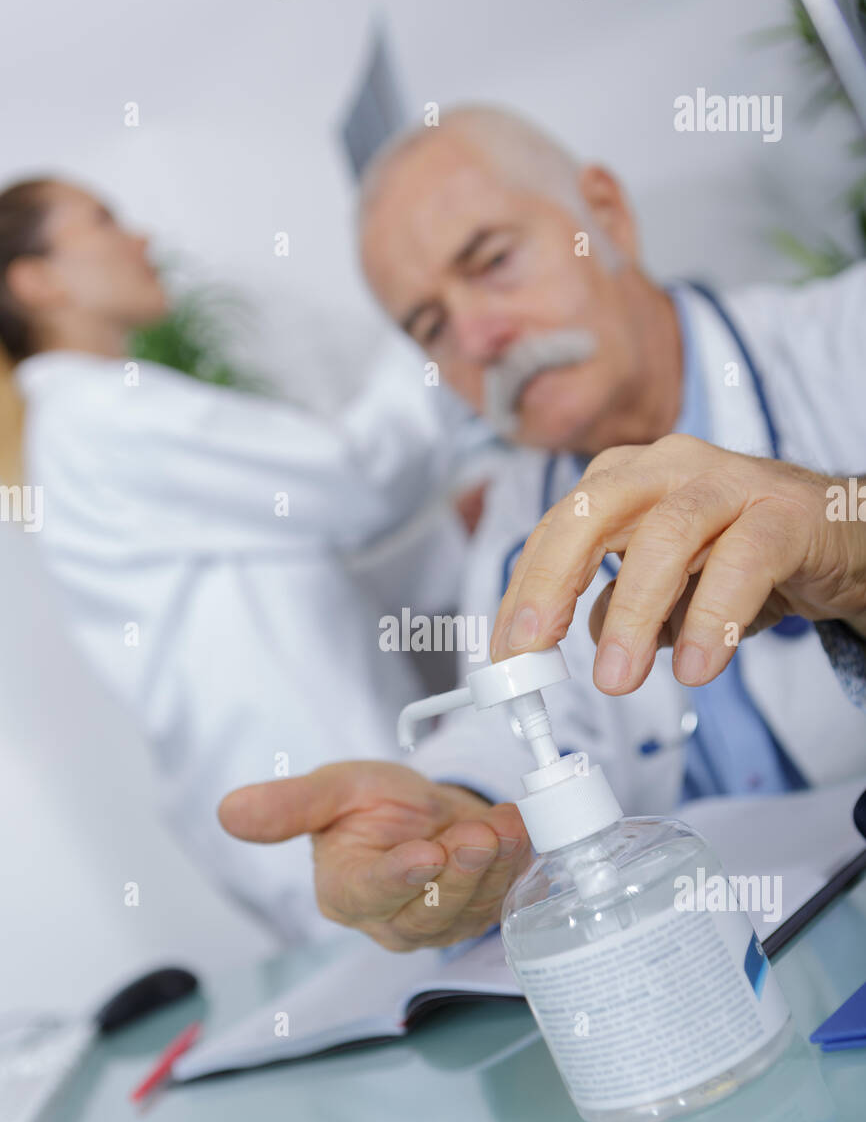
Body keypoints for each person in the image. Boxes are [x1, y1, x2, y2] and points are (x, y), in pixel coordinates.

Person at [219, 104, 866, 951]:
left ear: (606, 214)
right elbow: (516, 730)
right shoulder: (514, 529)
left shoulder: (846, 340)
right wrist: (454, 812)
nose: (481, 337)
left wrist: (848, 549)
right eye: (432, 327)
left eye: (491, 261)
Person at [0, 176, 474, 944]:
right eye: (103, 219)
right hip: (310, 796)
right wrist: (426, 312)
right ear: (37, 280)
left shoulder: (87, 418)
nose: (142, 239)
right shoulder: (104, 413)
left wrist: (453, 532)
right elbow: (355, 478)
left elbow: (291, 568)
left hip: (287, 793)